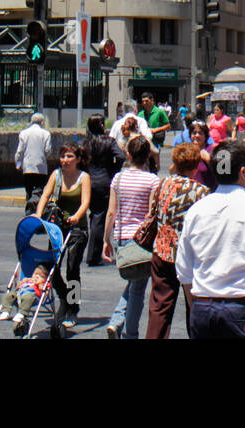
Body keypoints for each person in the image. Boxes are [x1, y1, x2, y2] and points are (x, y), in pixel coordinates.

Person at [175, 140, 245, 339]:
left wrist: (196, 308)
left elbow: (184, 270)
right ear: (243, 172)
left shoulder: (196, 212)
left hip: (203, 307)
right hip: (240, 309)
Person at [145, 143, 210, 338]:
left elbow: (153, 212)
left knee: (159, 306)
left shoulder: (163, 183)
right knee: (194, 304)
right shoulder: (201, 191)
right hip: (188, 254)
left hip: (162, 250)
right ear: (196, 165)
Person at [103, 135, 160, 338]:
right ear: (147, 157)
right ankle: (129, 331)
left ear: (128, 154)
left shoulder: (118, 178)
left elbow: (111, 212)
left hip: (122, 238)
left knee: (133, 281)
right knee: (137, 289)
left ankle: (116, 321)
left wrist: (106, 240)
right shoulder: (153, 180)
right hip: (142, 240)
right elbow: (151, 215)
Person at [36, 142, 91, 328]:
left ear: (78, 160)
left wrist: (77, 216)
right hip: (58, 227)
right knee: (53, 268)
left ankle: (73, 308)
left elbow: (85, 202)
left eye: (69, 157)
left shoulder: (84, 177)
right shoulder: (56, 175)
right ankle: (65, 297)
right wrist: (38, 215)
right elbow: (45, 195)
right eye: (63, 157)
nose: (65, 161)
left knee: (73, 269)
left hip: (77, 228)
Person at [82, 113, 124, 266]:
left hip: (89, 180)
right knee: (100, 218)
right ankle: (94, 255)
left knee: (95, 216)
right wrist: (113, 169)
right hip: (104, 180)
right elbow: (121, 156)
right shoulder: (108, 142)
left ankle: (93, 251)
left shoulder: (86, 143)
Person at [2, 264, 51, 336]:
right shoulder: (28, 280)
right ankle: (6, 311)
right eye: (35, 274)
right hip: (19, 294)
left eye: (41, 276)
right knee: (7, 296)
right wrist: (20, 282)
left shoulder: (42, 284)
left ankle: (22, 313)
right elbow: (19, 286)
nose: (36, 276)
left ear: (45, 279)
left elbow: (45, 291)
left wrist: (40, 285)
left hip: (32, 296)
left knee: (28, 297)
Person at [16, 112, 52, 212]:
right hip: (41, 167)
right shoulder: (46, 134)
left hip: (27, 167)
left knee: (29, 191)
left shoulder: (23, 133)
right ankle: (38, 209)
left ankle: (29, 211)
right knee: (40, 190)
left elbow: (19, 151)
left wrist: (18, 164)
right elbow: (48, 150)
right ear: (41, 123)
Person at [187, 121, 216, 190]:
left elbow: (223, 171)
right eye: (194, 133)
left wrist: (208, 158)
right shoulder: (187, 150)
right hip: (191, 191)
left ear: (205, 136)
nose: (197, 135)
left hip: (208, 191)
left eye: (200, 133)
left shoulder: (212, 150)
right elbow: (173, 171)